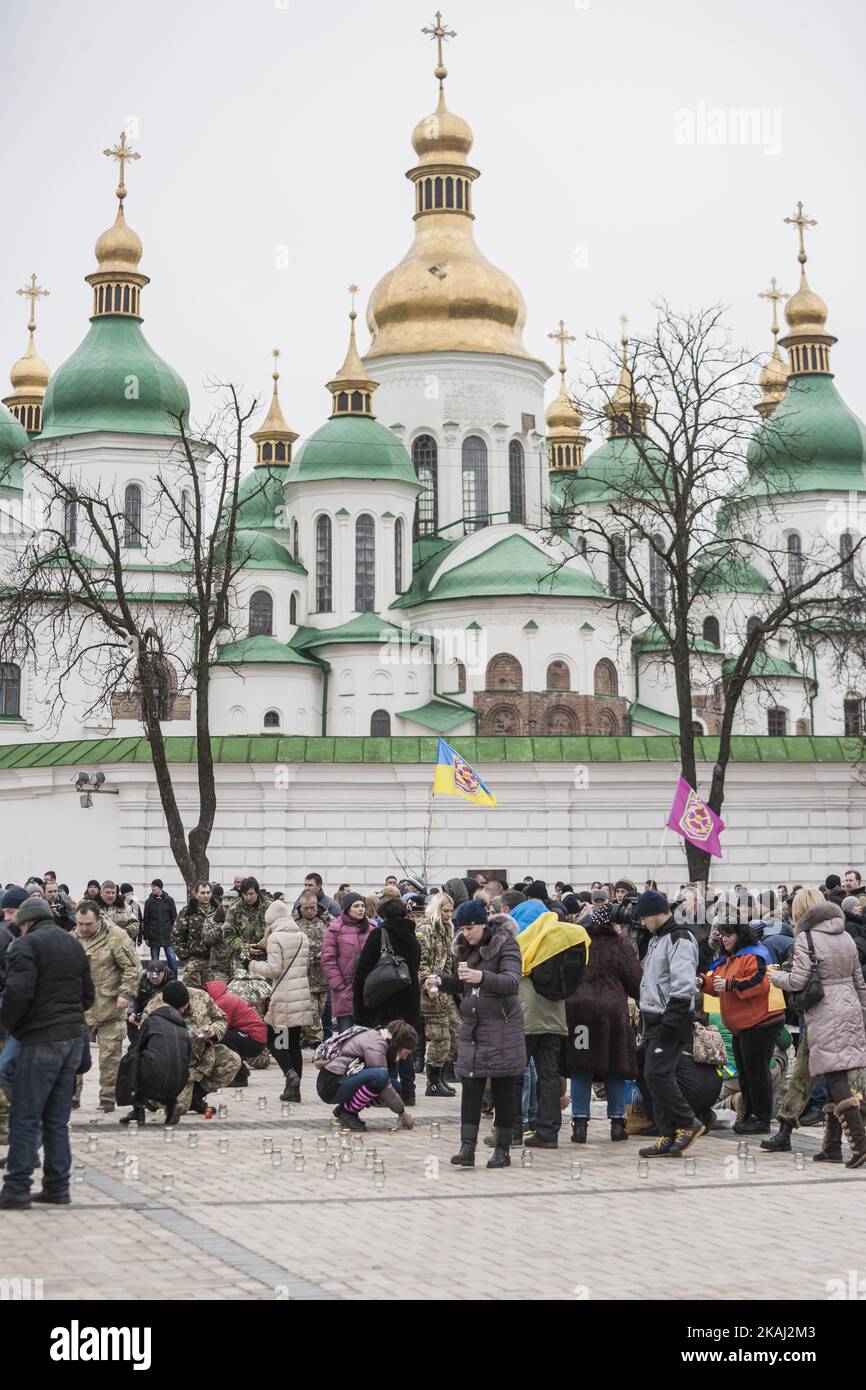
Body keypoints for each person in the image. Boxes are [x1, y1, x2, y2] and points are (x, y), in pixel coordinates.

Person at [0, 896, 94, 1208]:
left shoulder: (26, 946)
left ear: (26, 922)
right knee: (56, 1119)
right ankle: (57, 1187)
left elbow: (17, 994)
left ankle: (16, 1189)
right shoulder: (73, 945)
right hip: (71, 1038)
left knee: (25, 1116)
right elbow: (88, 996)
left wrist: (12, 1027)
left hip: (40, 1040)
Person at [768, 892, 866, 1167]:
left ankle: (859, 1143)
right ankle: (832, 1147)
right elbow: (859, 980)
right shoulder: (845, 936)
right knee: (837, 1074)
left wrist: (775, 977)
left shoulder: (806, 938)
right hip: (849, 1006)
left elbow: (798, 980)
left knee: (835, 1077)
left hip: (825, 1011)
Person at [426, 903, 526, 1170]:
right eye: (462, 928)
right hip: (473, 1028)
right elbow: (462, 982)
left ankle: (502, 1149)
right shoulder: (467, 949)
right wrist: (440, 981)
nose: (466, 933)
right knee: (470, 1088)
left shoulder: (507, 945)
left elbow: (512, 981)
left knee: (503, 1090)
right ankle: (466, 1147)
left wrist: (481, 976)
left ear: (483, 924)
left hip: (501, 1028)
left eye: (470, 928)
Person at [505, 907, 589, 1150]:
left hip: (527, 1018)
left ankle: (512, 1131)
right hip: (555, 1019)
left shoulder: (527, 942)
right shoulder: (560, 943)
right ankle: (548, 1132)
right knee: (549, 1075)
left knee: (515, 1074)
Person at [566, 901, 643, 1143]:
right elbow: (635, 982)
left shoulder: (578, 941)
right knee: (615, 1066)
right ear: (614, 924)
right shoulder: (621, 945)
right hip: (612, 1015)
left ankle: (579, 1125)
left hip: (579, 1013)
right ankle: (618, 1124)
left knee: (581, 1066)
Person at [635, 889, 704, 1158]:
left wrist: (670, 1021)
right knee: (652, 1074)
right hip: (653, 1017)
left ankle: (687, 1123)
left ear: (657, 913)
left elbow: (683, 984)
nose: (642, 923)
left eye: (644, 918)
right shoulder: (657, 939)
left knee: (657, 1073)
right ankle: (667, 1132)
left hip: (670, 1017)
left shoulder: (679, 938)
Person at [698, 921, 784, 1135]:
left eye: (730, 935)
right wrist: (703, 983)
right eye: (723, 935)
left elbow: (759, 983)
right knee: (746, 1073)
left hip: (760, 1021)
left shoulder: (753, 955)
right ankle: (748, 1115)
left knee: (756, 1071)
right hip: (743, 1024)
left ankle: (761, 1118)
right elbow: (716, 983)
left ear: (740, 935)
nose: (725, 939)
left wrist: (730, 985)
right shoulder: (728, 958)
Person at [352, 897, 421, 1106]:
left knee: (387, 1042)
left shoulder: (379, 934)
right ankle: (409, 1090)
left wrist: (360, 1004)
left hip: (385, 996)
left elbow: (363, 969)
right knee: (406, 1040)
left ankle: (389, 1089)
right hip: (409, 995)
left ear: (384, 915)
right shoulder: (413, 935)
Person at [74, 899, 140, 1114]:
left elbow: (132, 968)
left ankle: (107, 1098)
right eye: (80, 924)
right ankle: (71, 1096)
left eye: (88, 925)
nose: (83, 929)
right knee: (73, 1055)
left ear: (98, 920)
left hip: (110, 1006)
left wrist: (125, 993)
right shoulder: (72, 937)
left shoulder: (116, 937)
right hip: (80, 1008)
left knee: (109, 1057)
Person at [141, 981, 241, 1117]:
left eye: (182, 1008)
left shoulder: (202, 998)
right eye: (174, 1009)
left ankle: (195, 1096)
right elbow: (143, 1035)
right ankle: (154, 1099)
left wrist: (214, 1030)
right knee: (178, 1108)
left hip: (202, 1056)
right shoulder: (155, 1006)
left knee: (232, 1060)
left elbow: (221, 1018)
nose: (179, 1012)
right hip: (172, 1066)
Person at [248, 899, 312, 1102]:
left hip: (283, 995)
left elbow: (274, 970)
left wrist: (250, 964)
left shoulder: (275, 938)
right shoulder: (302, 936)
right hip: (301, 994)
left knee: (273, 1039)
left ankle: (289, 1073)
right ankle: (294, 1090)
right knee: (293, 1042)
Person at [316, 1020, 418, 1131]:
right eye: (406, 1053)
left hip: (342, 1080)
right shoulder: (377, 1043)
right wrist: (403, 1113)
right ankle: (348, 1113)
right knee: (380, 1077)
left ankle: (343, 1109)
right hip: (331, 1085)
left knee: (395, 1087)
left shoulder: (380, 1038)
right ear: (398, 1045)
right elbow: (383, 1085)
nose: (404, 1058)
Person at [117, 995, 190, 1127]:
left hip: (154, 1080)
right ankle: (172, 1104)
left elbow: (136, 1047)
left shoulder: (152, 1020)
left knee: (131, 1060)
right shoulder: (183, 1028)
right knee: (167, 1064)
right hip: (179, 1084)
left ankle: (138, 1110)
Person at [417, 892, 460, 1097]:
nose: (449, 914)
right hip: (430, 992)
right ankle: (432, 1081)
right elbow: (421, 962)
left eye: (451, 910)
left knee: (455, 1032)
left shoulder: (448, 929)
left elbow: (450, 961)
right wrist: (427, 983)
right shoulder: (425, 930)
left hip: (446, 990)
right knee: (439, 1037)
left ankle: (440, 1074)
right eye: (445, 910)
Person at [321, 891, 373, 1033]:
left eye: (362, 905)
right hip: (344, 990)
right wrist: (339, 986)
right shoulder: (335, 928)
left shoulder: (372, 927)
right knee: (346, 1038)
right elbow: (328, 959)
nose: (361, 909)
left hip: (368, 991)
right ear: (347, 908)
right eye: (356, 906)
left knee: (367, 1038)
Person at [205, 980, 268, 1085]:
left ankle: (240, 1076)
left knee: (220, 1036)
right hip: (249, 1035)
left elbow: (221, 1026)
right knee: (220, 1036)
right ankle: (241, 1071)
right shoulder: (222, 997)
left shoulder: (222, 1002)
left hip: (254, 1039)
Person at [293, 891, 331, 1046]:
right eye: (306, 908)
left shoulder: (327, 920)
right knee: (311, 1013)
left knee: (320, 1010)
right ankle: (317, 1043)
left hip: (323, 975)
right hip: (304, 976)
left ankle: (307, 1037)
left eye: (312, 907)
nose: (309, 911)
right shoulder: (294, 922)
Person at [173, 880, 224, 989]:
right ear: (196, 894)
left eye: (208, 892)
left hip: (214, 962)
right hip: (194, 960)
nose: (206, 896)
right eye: (202, 893)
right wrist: (185, 956)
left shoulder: (218, 910)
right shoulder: (188, 911)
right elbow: (177, 935)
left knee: (212, 995)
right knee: (192, 995)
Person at [222, 877, 273, 970]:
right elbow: (227, 934)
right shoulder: (235, 908)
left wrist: (268, 938)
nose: (248, 897)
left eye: (251, 894)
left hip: (268, 957)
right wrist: (244, 947)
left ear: (257, 892)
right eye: (245, 894)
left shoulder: (270, 906)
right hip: (244, 955)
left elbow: (282, 928)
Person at [126, 959, 172, 1043]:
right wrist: (133, 1012)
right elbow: (136, 998)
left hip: (161, 1011)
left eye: (157, 976)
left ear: (163, 972)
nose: (154, 979)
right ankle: (136, 1044)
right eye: (151, 976)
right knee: (129, 1017)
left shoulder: (171, 982)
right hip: (144, 1007)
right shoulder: (143, 979)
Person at [142, 879, 178, 973]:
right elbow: (146, 920)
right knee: (154, 961)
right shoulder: (149, 902)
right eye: (152, 886)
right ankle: (155, 979)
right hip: (153, 935)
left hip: (168, 935)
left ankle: (173, 979)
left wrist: (175, 933)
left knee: (172, 959)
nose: (152, 888)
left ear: (160, 887)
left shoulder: (169, 900)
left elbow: (174, 918)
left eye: (155, 886)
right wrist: (146, 936)